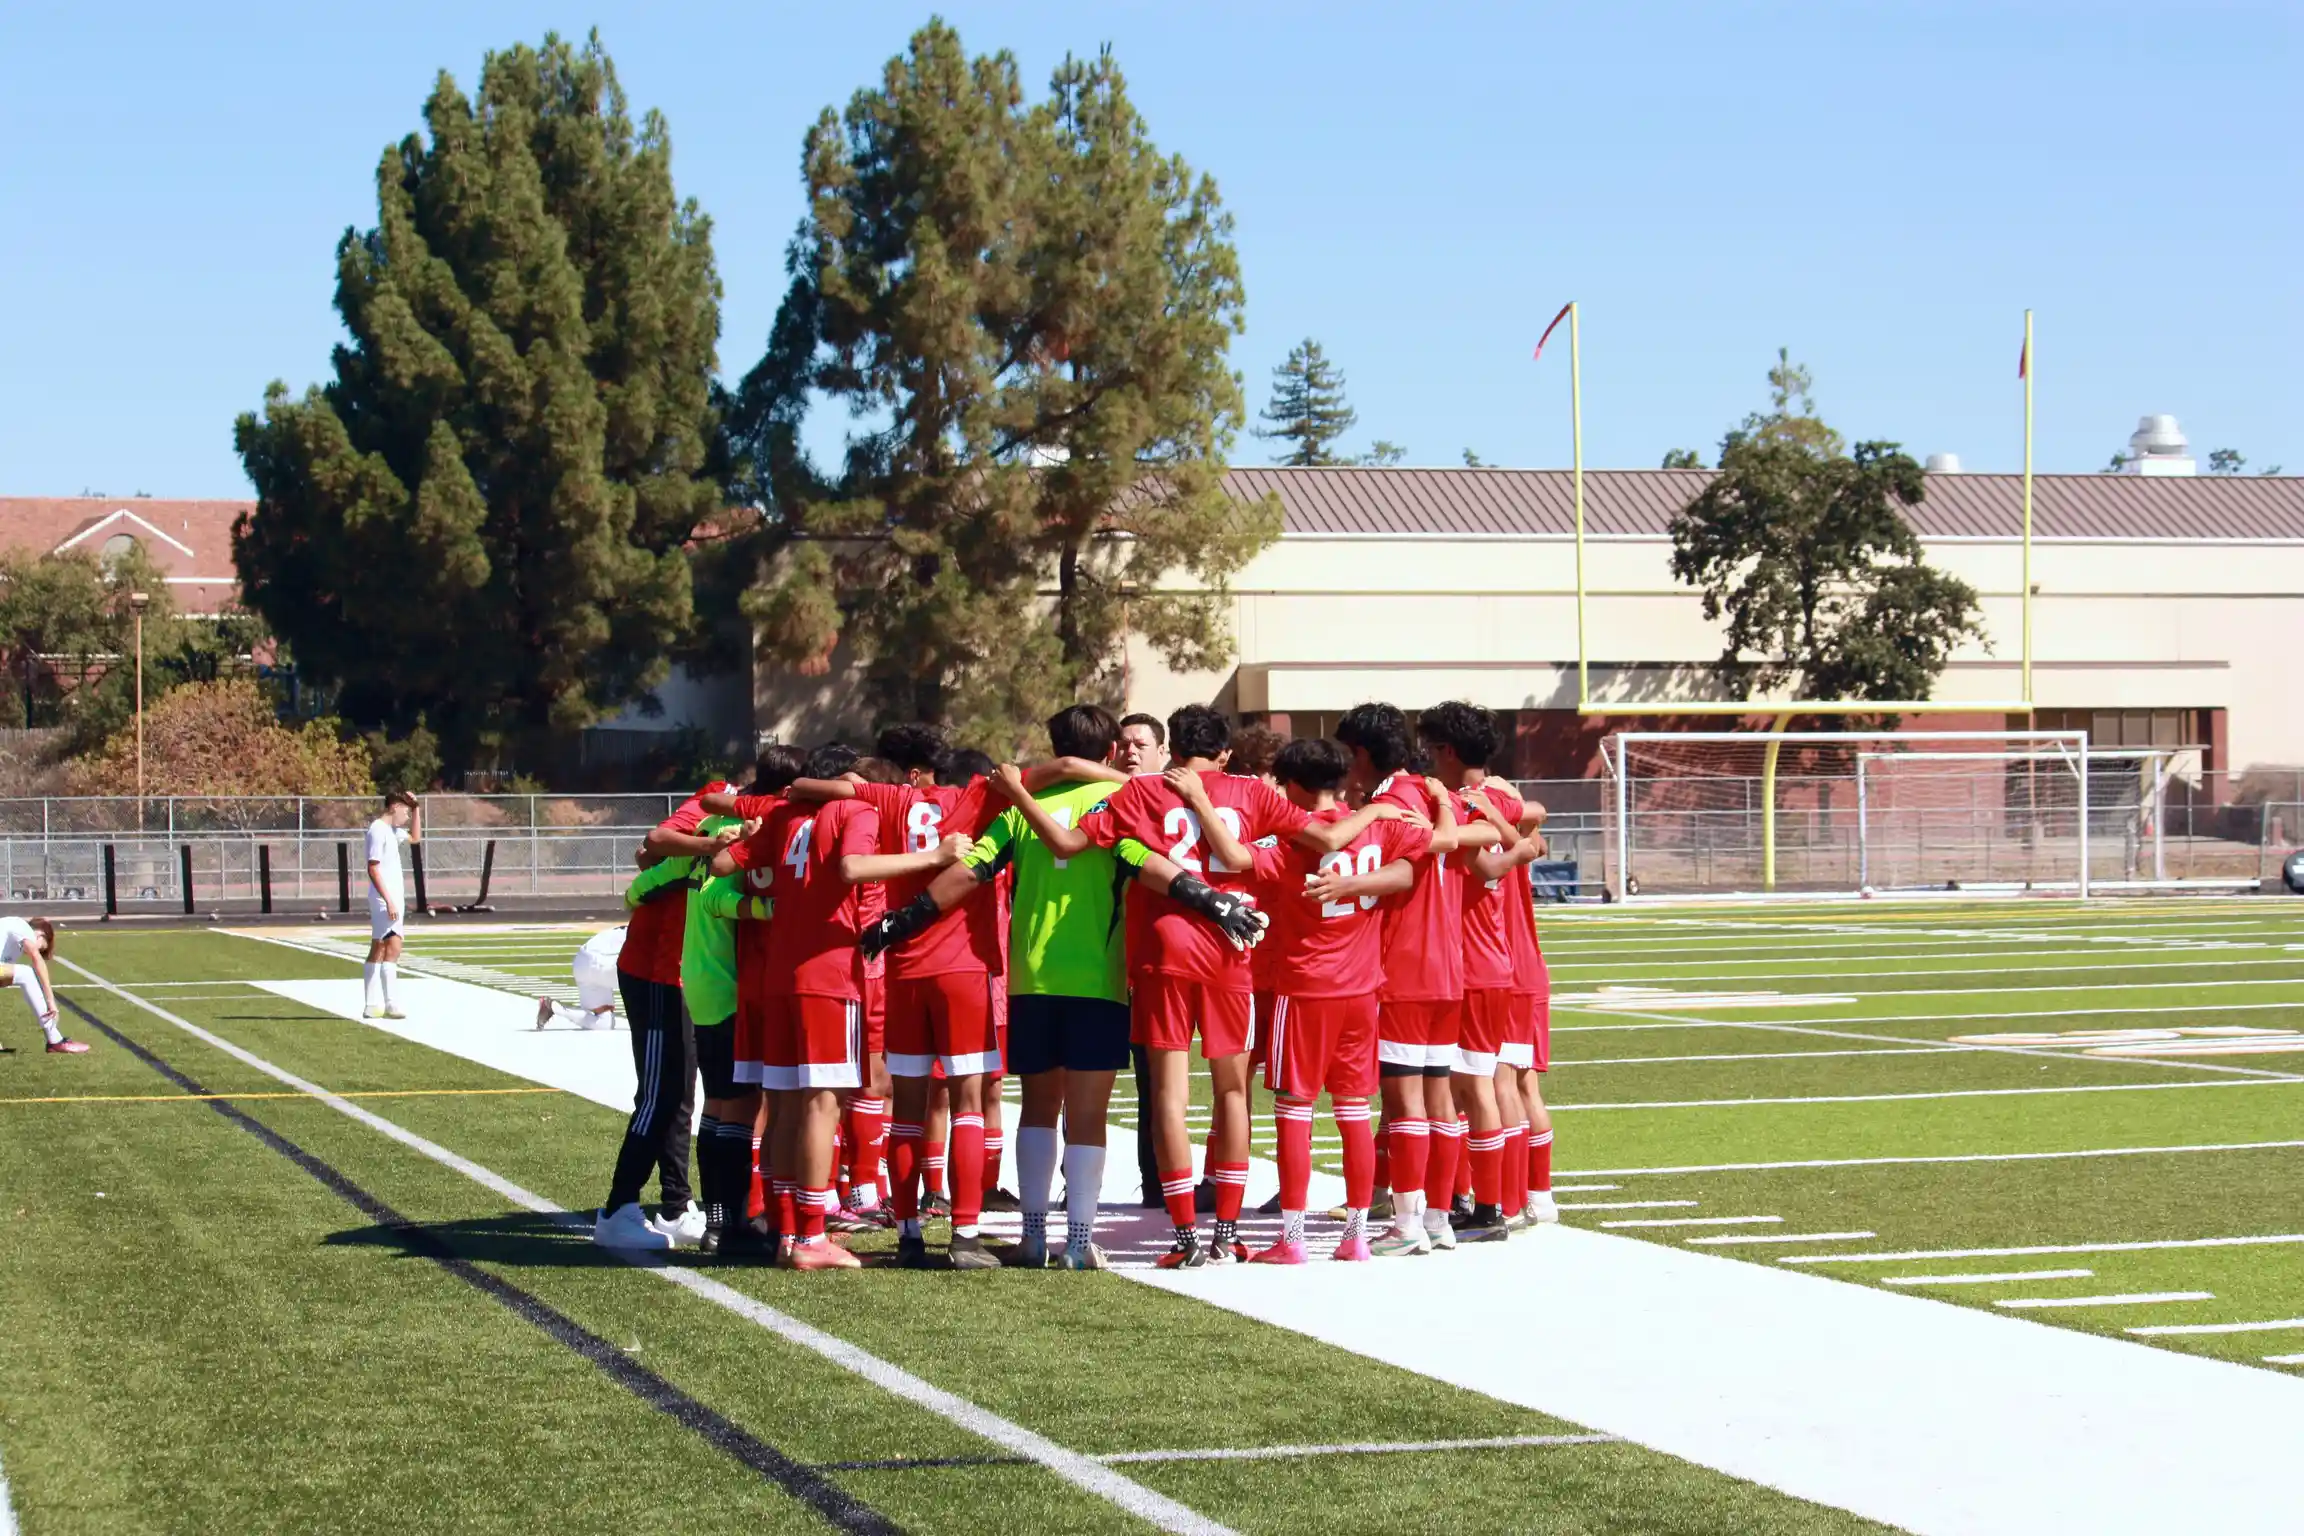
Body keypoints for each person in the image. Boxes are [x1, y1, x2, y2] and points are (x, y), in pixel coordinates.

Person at [1034, 703, 1406, 1268]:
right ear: (1226, 752)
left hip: (1165, 948)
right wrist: (1380, 808)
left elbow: (1067, 844)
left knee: (1167, 1095)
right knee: (1234, 1091)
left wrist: (1017, 793)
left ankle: (1184, 1235)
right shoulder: (1252, 795)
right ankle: (1227, 1232)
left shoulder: (1143, 794)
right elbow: (1319, 836)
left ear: (1171, 747)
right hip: (1234, 952)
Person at [712, 743, 965, 1270]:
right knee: (821, 1103)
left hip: (779, 973)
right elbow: (851, 866)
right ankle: (809, 1238)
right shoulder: (854, 809)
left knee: (782, 1104)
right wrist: (935, 856)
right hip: (828, 974)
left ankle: (785, 1232)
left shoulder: (783, 814)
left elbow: (723, 858)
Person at [1244, 738, 1434, 1262]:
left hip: (1305, 988)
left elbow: (1239, 859)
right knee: (1353, 1111)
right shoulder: (1376, 823)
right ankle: (1354, 1235)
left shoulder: (1291, 834)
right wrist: (1360, 881)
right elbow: (1409, 871)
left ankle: (1293, 1237)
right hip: (1361, 988)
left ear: (1298, 786)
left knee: (1294, 1111)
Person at [1333, 703, 1502, 1257]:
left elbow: (1422, 850)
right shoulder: (1433, 794)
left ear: (1361, 754)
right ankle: (1435, 1219)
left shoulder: (1392, 802)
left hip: (1403, 966)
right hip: (1447, 970)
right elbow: (1476, 832)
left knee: (1405, 1101)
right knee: (1436, 1101)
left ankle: (1407, 1222)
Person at [1419, 702, 1548, 1241]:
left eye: (1430, 748)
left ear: (1447, 751)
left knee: (1475, 1086)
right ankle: (1507, 1202)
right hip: (1496, 959)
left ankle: (1491, 1205)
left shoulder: (1461, 805)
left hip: (1473, 962)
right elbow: (1534, 824)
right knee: (1491, 1085)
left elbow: (1493, 860)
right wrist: (1518, 831)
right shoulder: (1500, 796)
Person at [593, 782, 739, 1251]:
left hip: (687, 971)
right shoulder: (720, 800)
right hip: (658, 968)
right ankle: (617, 1208)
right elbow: (653, 844)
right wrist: (710, 845)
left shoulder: (755, 811)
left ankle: (675, 1205)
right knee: (659, 1094)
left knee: (679, 1095)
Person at [362, 791, 419, 1020]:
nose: (406, 816)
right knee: (380, 947)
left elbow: (415, 838)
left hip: (394, 897)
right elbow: (373, 868)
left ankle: (389, 1003)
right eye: (405, 811)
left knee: (393, 947)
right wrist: (388, 899)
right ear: (394, 807)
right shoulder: (377, 830)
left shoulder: (393, 832)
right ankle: (373, 1004)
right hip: (383, 898)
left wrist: (417, 809)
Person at [0, 916, 84, 1054]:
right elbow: (36, 959)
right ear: (40, 935)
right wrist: (51, 1001)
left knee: (19, 975)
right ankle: (55, 1040)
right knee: (27, 974)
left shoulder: (11, 943)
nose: (38, 950)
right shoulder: (22, 927)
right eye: (42, 947)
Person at [535, 925, 628, 1030]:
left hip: (582, 962)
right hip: (603, 964)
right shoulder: (644, 931)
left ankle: (554, 1007)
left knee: (604, 1023)